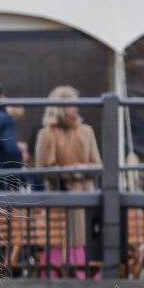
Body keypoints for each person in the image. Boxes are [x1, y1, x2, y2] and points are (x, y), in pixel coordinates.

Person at [36, 85, 101, 275]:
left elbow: (98, 163)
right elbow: (42, 169)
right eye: (71, 104)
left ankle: (85, 275)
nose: (76, 108)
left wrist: (85, 169)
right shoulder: (47, 134)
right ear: (59, 107)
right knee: (58, 239)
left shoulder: (86, 131)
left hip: (84, 196)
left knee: (83, 239)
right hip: (59, 196)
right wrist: (67, 172)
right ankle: (56, 275)